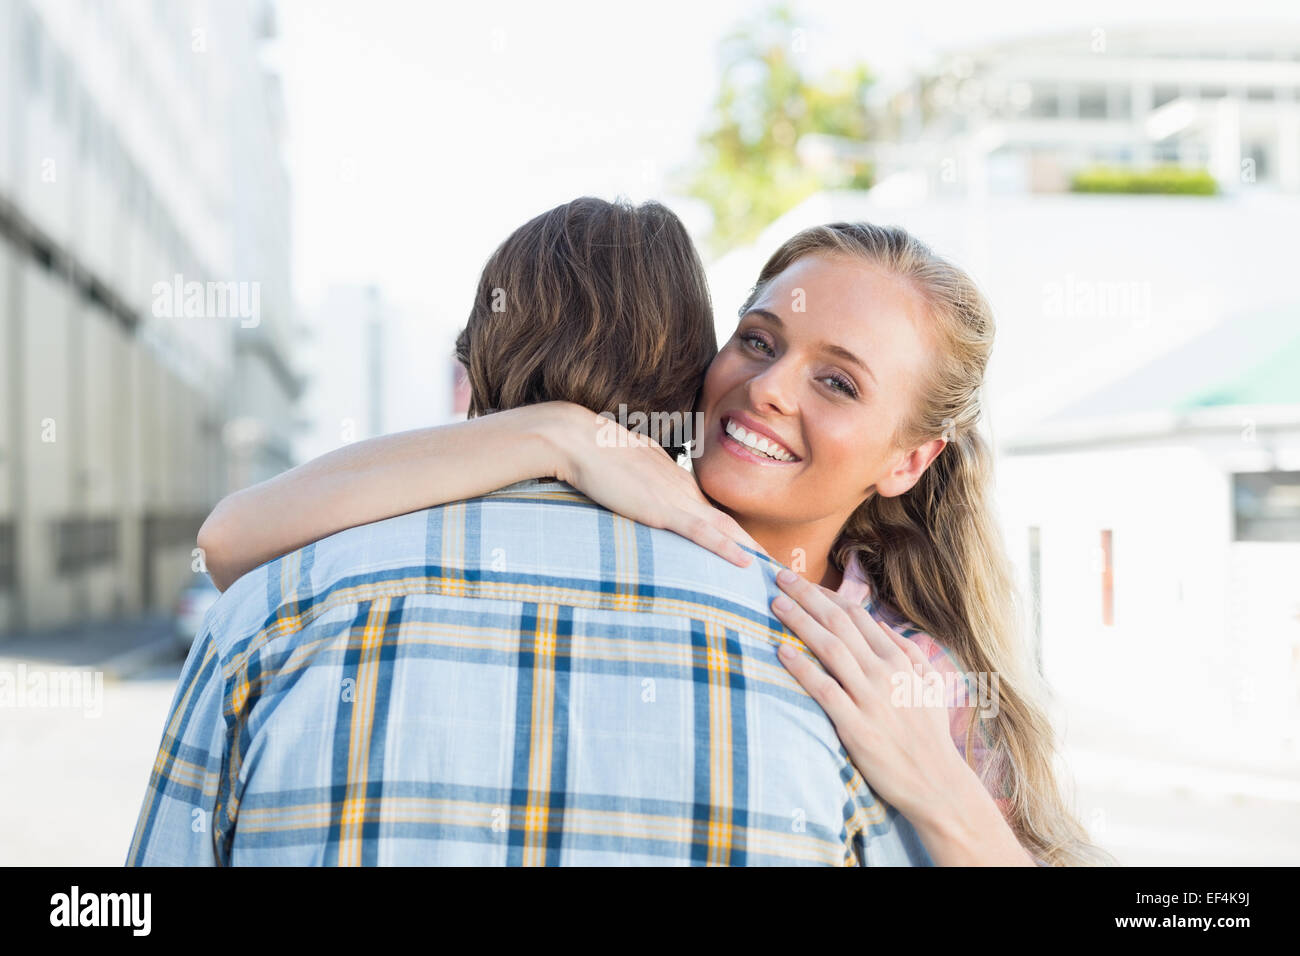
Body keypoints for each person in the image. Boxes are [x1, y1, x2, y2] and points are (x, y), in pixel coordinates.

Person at [188, 209, 1113, 866]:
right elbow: (234, 538)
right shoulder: (594, 503)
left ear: (910, 460)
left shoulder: (903, 674)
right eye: (758, 341)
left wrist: (943, 792)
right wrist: (551, 432)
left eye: (837, 383)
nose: (771, 389)